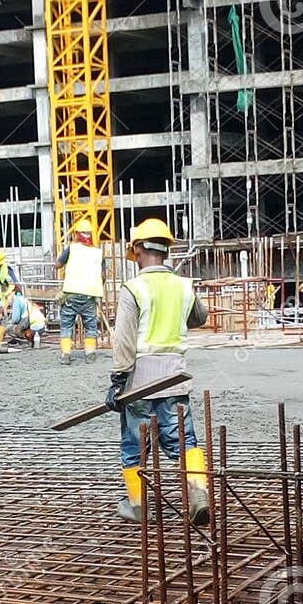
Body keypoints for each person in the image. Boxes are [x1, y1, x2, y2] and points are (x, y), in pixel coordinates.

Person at [105, 218, 211, 525]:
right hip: (175, 379)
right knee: (183, 441)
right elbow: (198, 318)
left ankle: (138, 506)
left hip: (139, 383)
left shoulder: (134, 288)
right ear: (165, 249)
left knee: (135, 446)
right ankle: (198, 493)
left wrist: (117, 382)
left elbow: (124, 340)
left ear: (137, 249)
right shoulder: (183, 285)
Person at [55, 217, 104, 365]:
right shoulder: (97, 252)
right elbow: (103, 276)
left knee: (66, 325)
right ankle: (90, 354)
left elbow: (57, 264)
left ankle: (66, 354)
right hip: (89, 296)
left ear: (76, 234)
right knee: (90, 325)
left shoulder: (72, 248)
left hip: (70, 295)